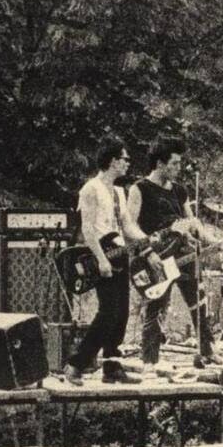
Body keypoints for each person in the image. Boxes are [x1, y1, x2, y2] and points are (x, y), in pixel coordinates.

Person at [128, 137, 221, 368]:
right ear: (160, 164)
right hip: (156, 257)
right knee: (157, 306)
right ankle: (150, 360)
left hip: (183, 254)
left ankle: (208, 350)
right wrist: (148, 252)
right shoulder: (140, 189)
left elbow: (192, 221)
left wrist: (213, 241)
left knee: (198, 302)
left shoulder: (180, 190)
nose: (179, 168)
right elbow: (130, 226)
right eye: (175, 163)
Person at [63, 139, 147, 386]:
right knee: (108, 312)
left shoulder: (119, 192)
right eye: (125, 159)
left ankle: (111, 366)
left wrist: (148, 238)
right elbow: (88, 229)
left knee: (121, 313)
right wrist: (101, 259)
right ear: (113, 161)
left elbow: (127, 226)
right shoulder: (91, 188)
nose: (127, 163)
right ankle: (76, 363)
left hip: (119, 254)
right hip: (101, 256)